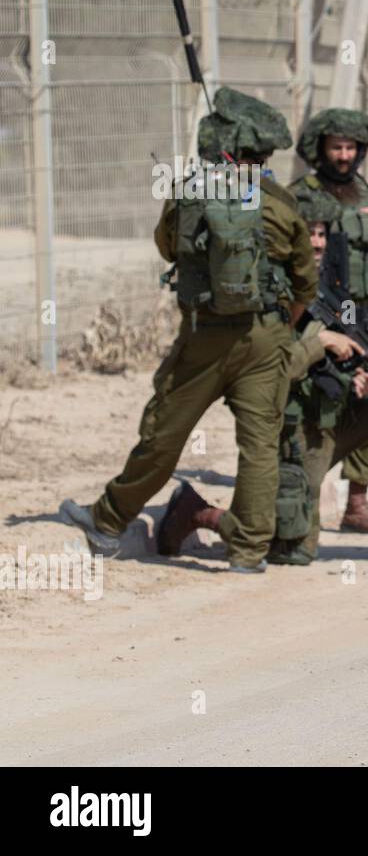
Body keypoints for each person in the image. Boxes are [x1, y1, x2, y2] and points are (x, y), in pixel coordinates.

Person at [59, 87, 317, 574]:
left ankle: (108, 520)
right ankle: (247, 552)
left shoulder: (190, 194)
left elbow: (165, 248)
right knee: (260, 445)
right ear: (261, 154)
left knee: (165, 432)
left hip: (204, 335)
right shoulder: (282, 205)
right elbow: (306, 282)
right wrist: (277, 327)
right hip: (265, 336)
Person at [159, 205, 368, 565]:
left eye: (322, 234)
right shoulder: (270, 294)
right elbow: (269, 369)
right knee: (293, 551)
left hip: (344, 414)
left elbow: (356, 336)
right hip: (301, 430)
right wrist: (319, 343)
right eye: (309, 234)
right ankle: (197, 511)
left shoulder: (336, 289)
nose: (318, 242)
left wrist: (366, 374)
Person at [287, 108, 368, 534]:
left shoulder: (367, 195)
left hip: (364, 314)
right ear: (321, 149)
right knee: (318, 398)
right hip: (316, 311)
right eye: (336, 147)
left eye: (351, 147)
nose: (343, 155)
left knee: (363, 398)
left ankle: (358, 502)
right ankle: (299, 503)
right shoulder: (301, 194)